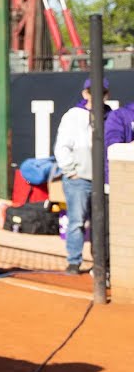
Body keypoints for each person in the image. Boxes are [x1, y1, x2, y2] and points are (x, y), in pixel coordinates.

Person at [54, 77, 107, 274]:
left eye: (101, 92)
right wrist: (70, 171)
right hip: (79, 179)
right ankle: (74, 262)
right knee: (77, 221)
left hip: (103, 181)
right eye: (92, 92)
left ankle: (100, 264)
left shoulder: (109, 114)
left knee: (100, 224)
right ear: (85, 93)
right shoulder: (73, 115)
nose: (96, 96)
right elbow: (62, 146)